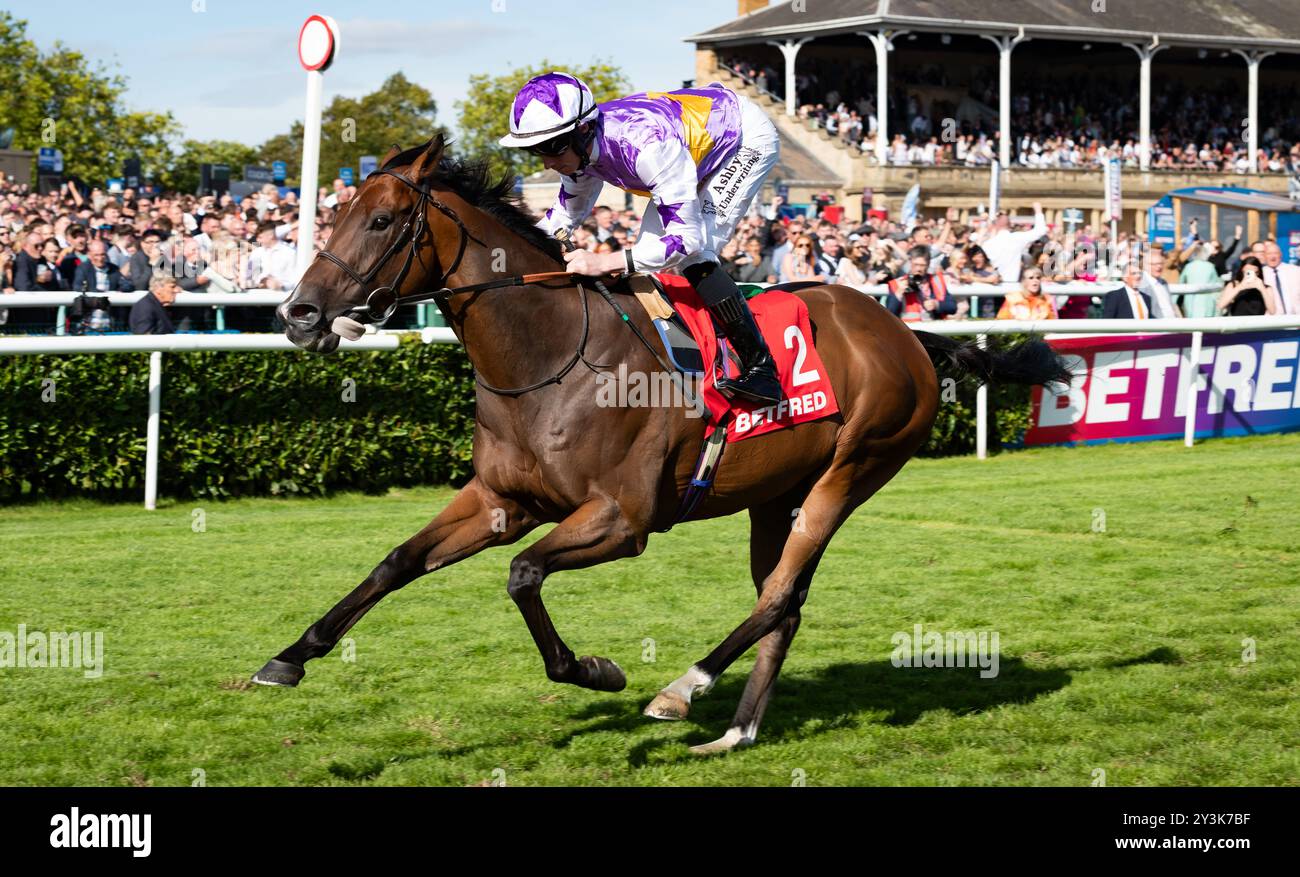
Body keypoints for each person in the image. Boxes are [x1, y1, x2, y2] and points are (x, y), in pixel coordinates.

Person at [501, 71, 782, 403]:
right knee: (650, 262)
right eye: (537, 150)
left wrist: (605, 261)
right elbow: (562, 219)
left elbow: (685, 241)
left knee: (694, 253)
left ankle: (762, 368)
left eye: (552, 147)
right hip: (690, 148)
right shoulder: (578, 151)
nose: (548, 162)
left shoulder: (646, 145)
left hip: (741, 139)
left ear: (584, 130)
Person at [883, 247, 957, 322]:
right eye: (916, 264)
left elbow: (952, 307)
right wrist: (899, 293)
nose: (918, 269)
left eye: (922, 265)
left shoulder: (936, 280)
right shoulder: (897, 283)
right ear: (910, 262)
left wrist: (936, 304)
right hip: (908, 328)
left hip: (932, 326)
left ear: (928, 265)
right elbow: (890, 312)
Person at [1261, 241, 1300, 316]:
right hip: (1272, 321)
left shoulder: (1295, 270)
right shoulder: (1261, 274)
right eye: (1269, 254)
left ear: (1280, 255)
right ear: (1265, 256)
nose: (1273, 256)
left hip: (1296, 319)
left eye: (1275, 253)